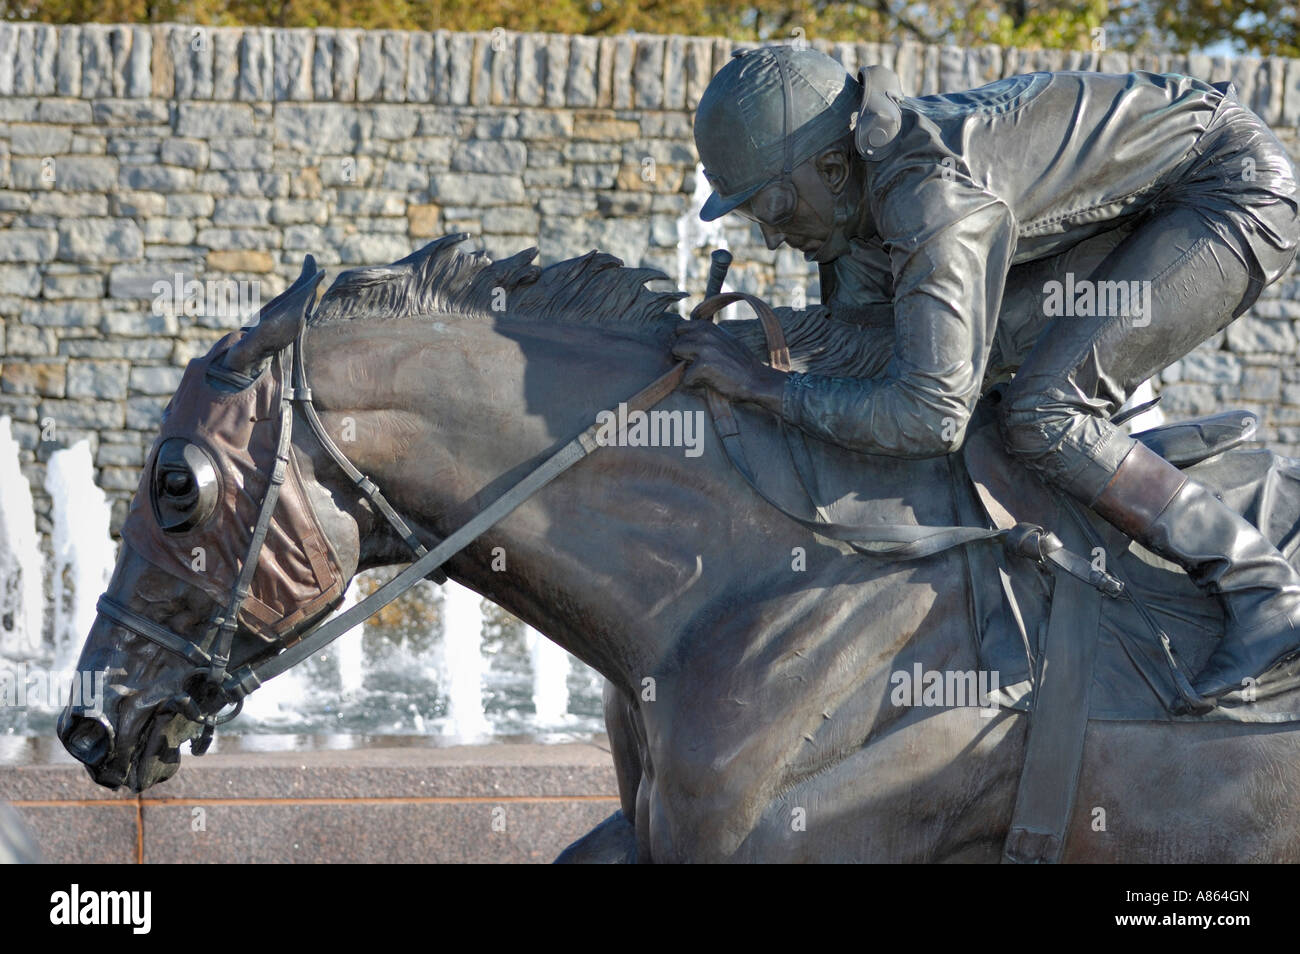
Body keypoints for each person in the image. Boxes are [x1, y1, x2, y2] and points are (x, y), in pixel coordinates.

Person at [671, 44, 1300, 705]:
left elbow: (928, 415)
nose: (771, 240)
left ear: (830, 168)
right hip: (1151, 203)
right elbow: (856, 345)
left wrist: (762, 385)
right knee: (972, 365)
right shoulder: (857, 195)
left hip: (1229, 192)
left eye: (772, 208)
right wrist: (728, 344)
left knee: (1042, 411)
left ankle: (1262, 590)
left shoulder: (926, 202)